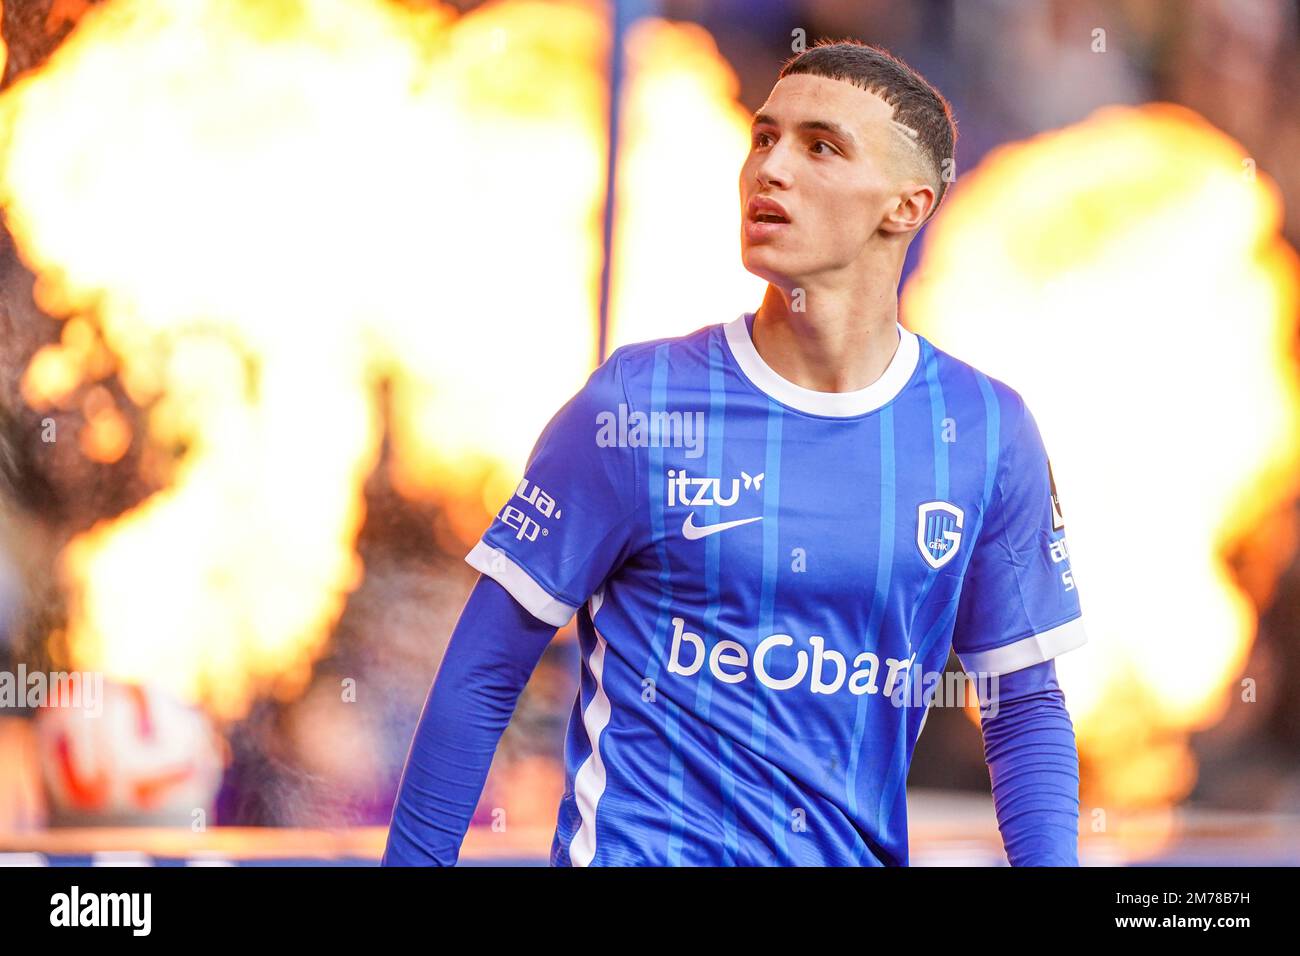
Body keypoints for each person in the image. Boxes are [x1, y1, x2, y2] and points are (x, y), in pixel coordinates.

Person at [384, 40, 1087, 867]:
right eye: (763, 138)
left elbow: (1023, 705)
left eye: (820, 146)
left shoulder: (986, 431)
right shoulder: (635, 403)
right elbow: (482, 674)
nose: (770, 169)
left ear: (907, 205)